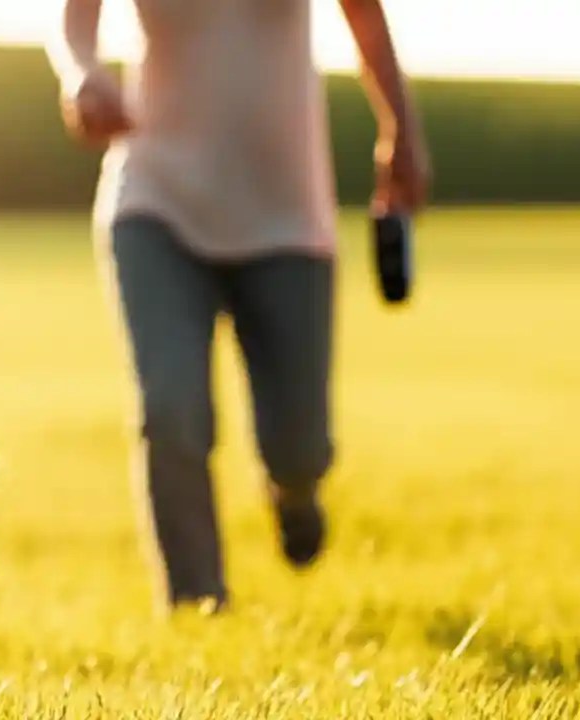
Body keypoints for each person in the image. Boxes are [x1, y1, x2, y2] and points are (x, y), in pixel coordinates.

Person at [46, 0, 430, 611]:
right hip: (155, 199)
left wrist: (402, 130)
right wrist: (82, 73)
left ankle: (293, 489)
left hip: (287, 215)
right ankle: (198, 604)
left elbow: (364, 16)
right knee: (170, 410)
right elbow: (76, 17)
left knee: (301, 449)